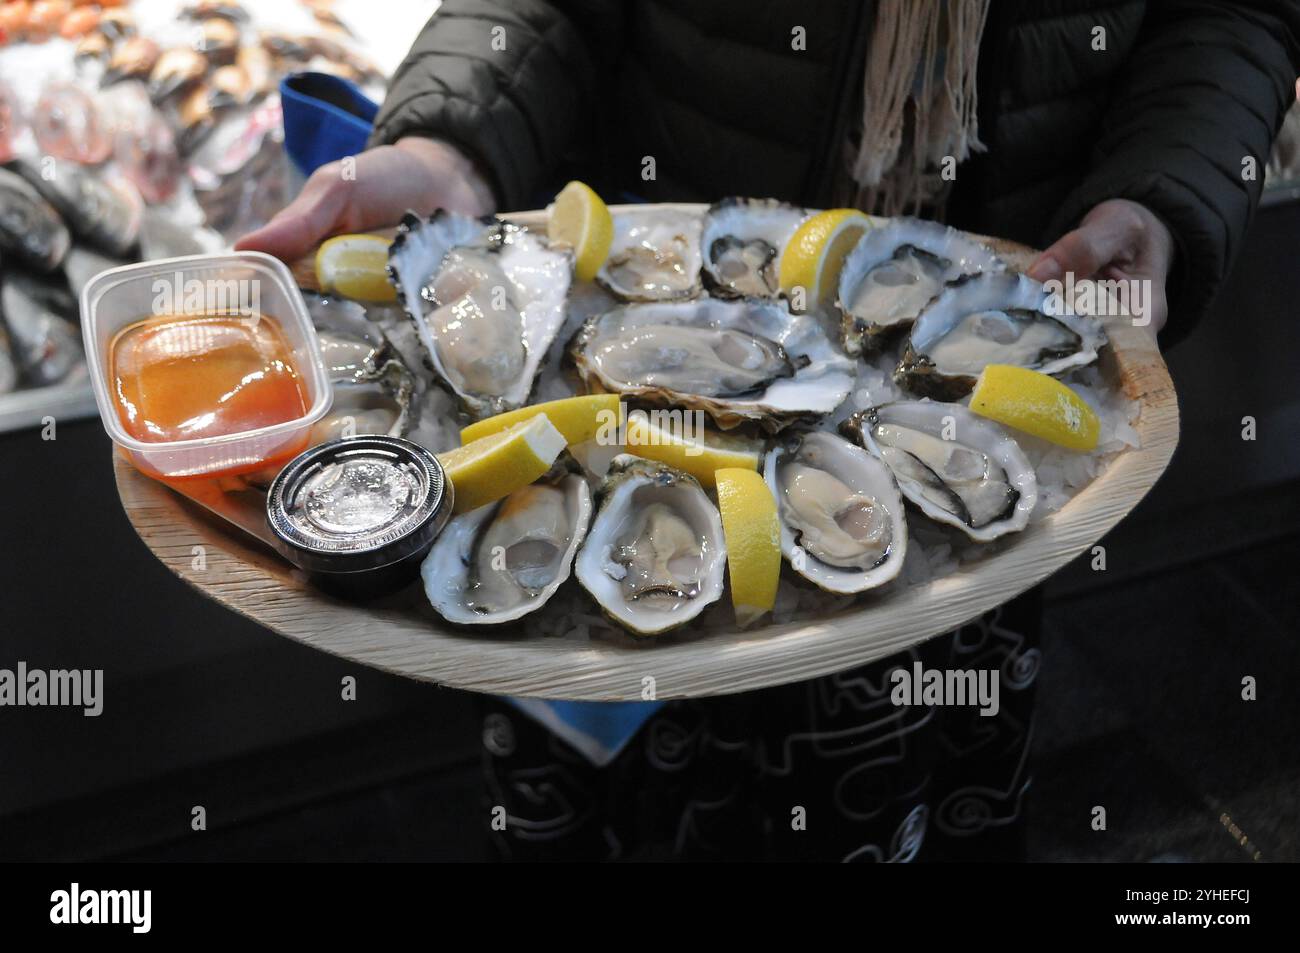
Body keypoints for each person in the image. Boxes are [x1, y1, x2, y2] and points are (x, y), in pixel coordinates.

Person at [238, 1, 1300, 860]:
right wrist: (457, 143)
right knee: (614, 792)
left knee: (892, 788)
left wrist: (1161, 195)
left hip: (964, 387)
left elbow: (1234, 11)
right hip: (604, 360)